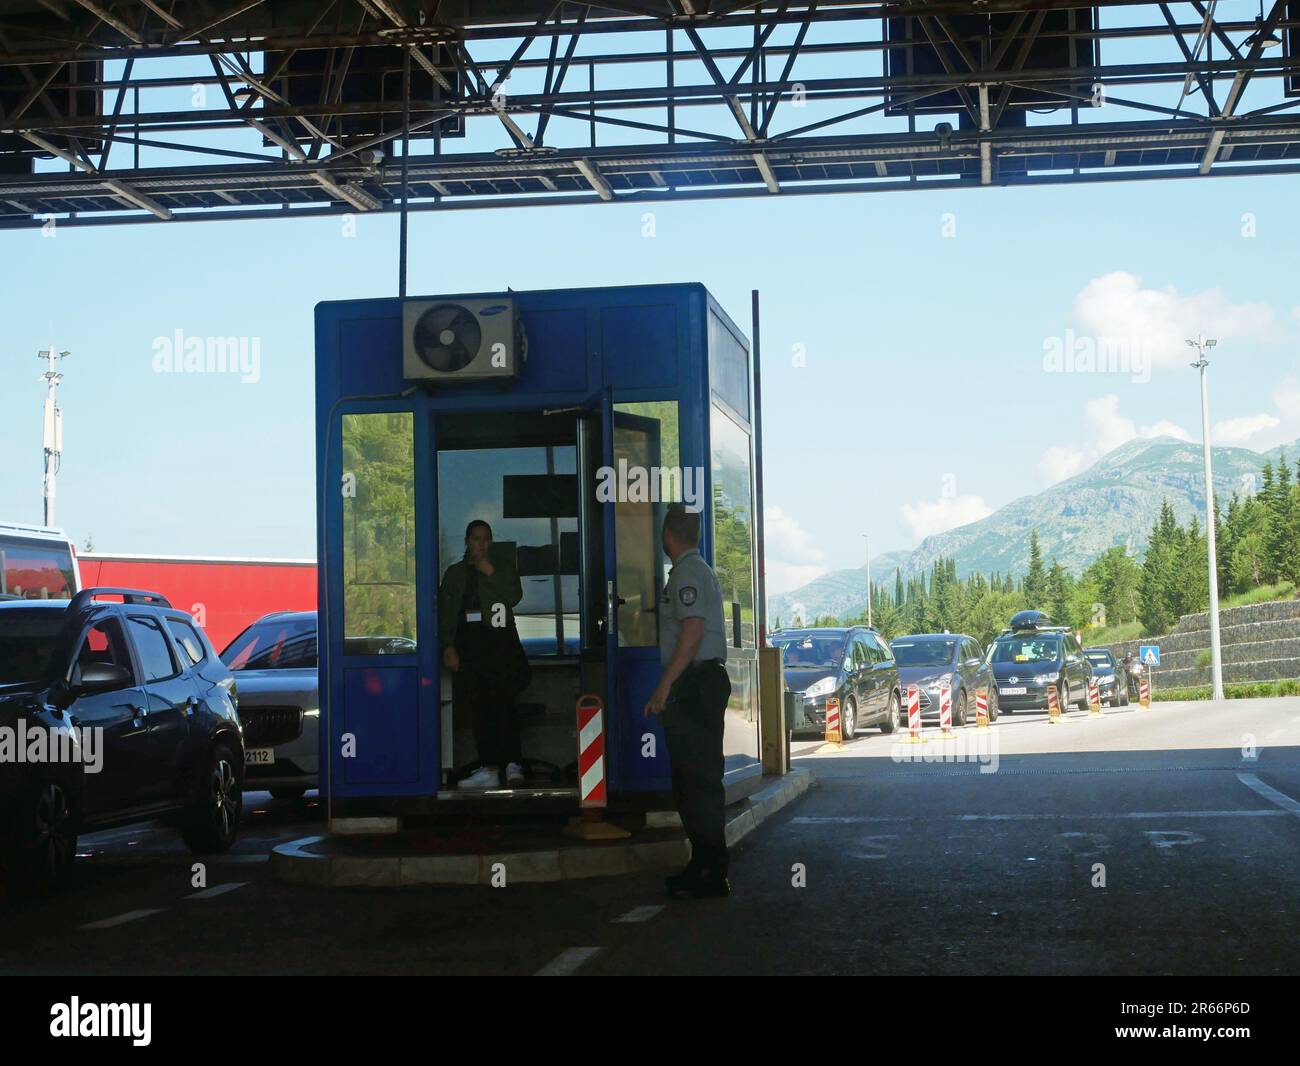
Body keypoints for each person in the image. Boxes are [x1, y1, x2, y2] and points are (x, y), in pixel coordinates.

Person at [644, 504, 732, 899]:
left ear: (667, 535)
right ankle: (705, 866)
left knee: (696, 780)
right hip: (700, 681)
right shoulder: (696, 570)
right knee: (696, 779)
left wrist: (664, 686)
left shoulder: (688, 574)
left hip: (694, 684)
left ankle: (710, 871)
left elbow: (692, 632)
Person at [439, 520, 529, 789]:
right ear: (467, 541)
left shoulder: (501, 568)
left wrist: (488, 570)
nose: (481, 544)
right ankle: (488, 766)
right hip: (469, 646)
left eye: (486, 539)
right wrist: (448, 646)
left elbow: (514, 596)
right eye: (477, 538)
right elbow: (446, 614)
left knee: (503, 704)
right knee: (479, 707)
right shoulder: (455, 574)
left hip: (499, 643)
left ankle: (513, 764)